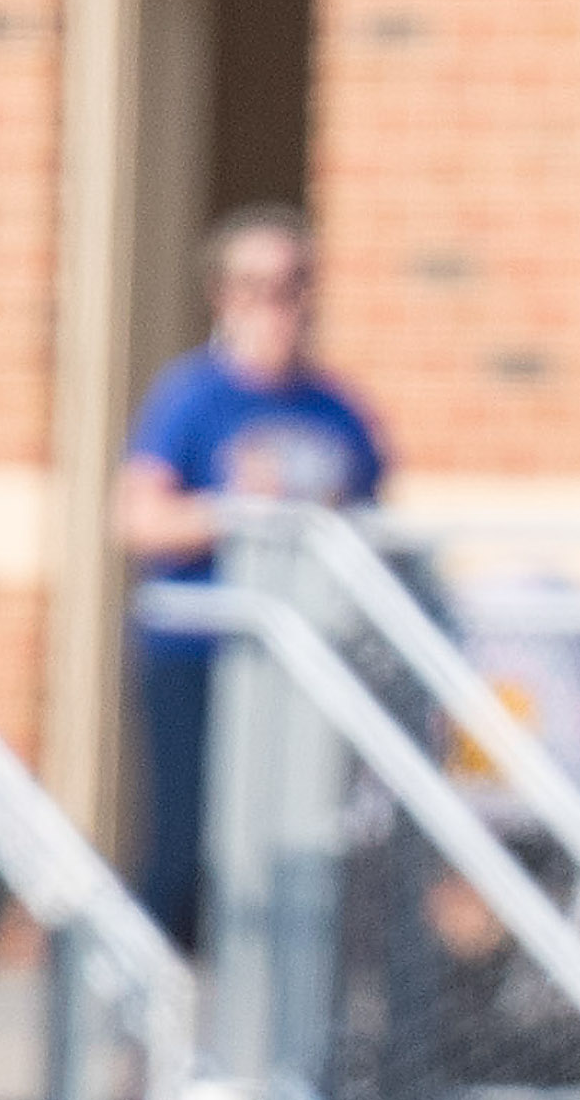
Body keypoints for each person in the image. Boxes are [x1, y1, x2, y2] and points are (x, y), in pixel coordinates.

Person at [114, 203, 390, 946]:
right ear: (222, 296)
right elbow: (139, 519)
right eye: (255, 286)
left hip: (302, 667)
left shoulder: (339, 412)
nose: (276, 305)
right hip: (200, 657)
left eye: (293, 285)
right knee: (184, 851)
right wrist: (238, 508)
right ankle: (148, 1000)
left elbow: (374, 532)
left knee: (297, 854)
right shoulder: (191, 397)